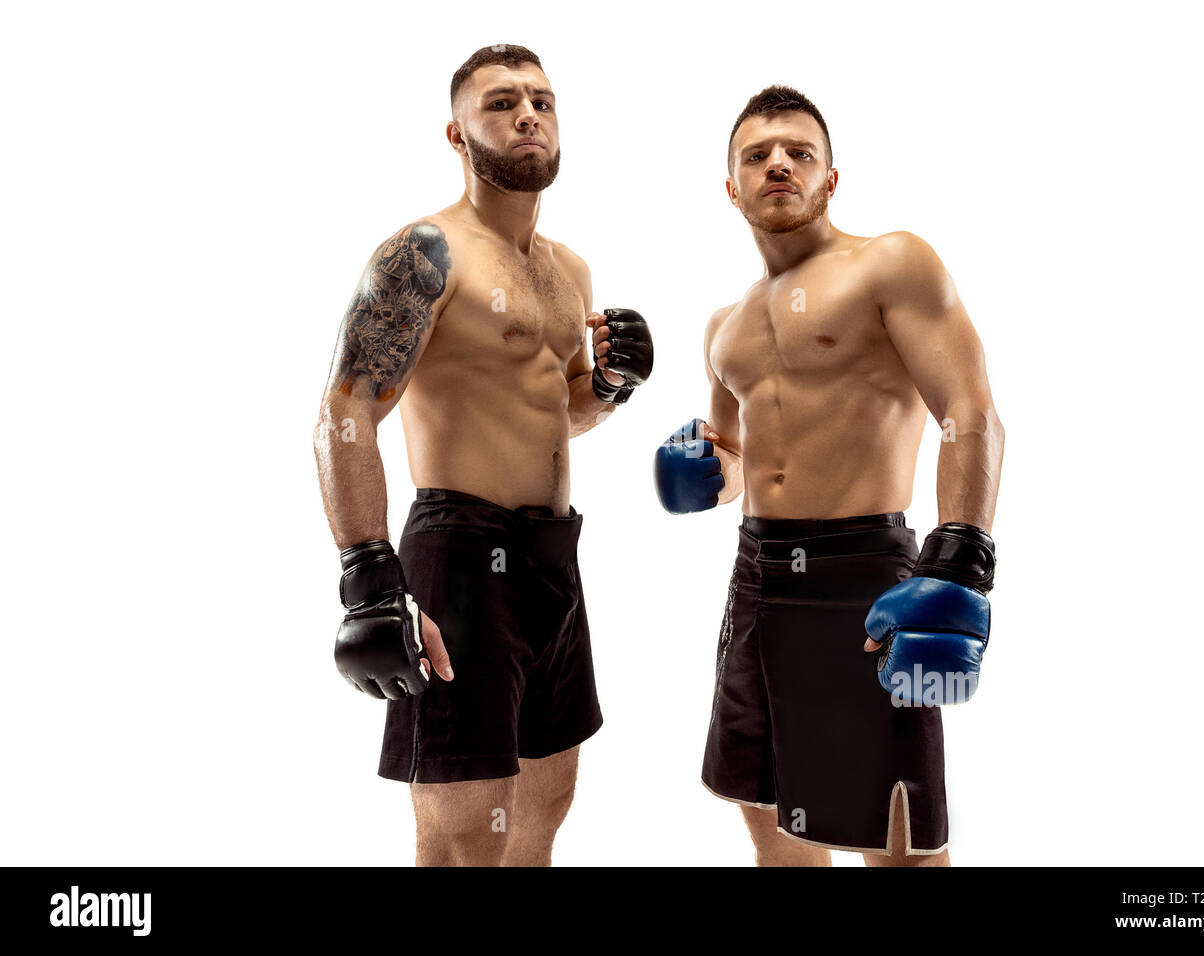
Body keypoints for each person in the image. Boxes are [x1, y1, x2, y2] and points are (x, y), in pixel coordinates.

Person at [313, 44, 653, 867]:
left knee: (543, 809)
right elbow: (347, 406)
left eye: (541, 99)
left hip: (553, 556)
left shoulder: (568, 270)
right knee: (467, 832)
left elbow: (557, 412)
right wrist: (367, 574)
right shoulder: (425, 254)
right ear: (457, 135)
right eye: (500, 103)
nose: (527, 113)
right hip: (459, 557)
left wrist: (610, 384)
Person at [654, 86, 1003, 866]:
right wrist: (705, 472)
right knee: (769, 812)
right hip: (757, 578)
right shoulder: (724, 327)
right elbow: (738, 461)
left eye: (799, 152)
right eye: (757, 155)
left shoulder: (892, 262)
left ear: (831, 178)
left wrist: (961, 558)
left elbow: (971, 414)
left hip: (866, 575)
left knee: (896, 834)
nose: (778, 163)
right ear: (731, 187)